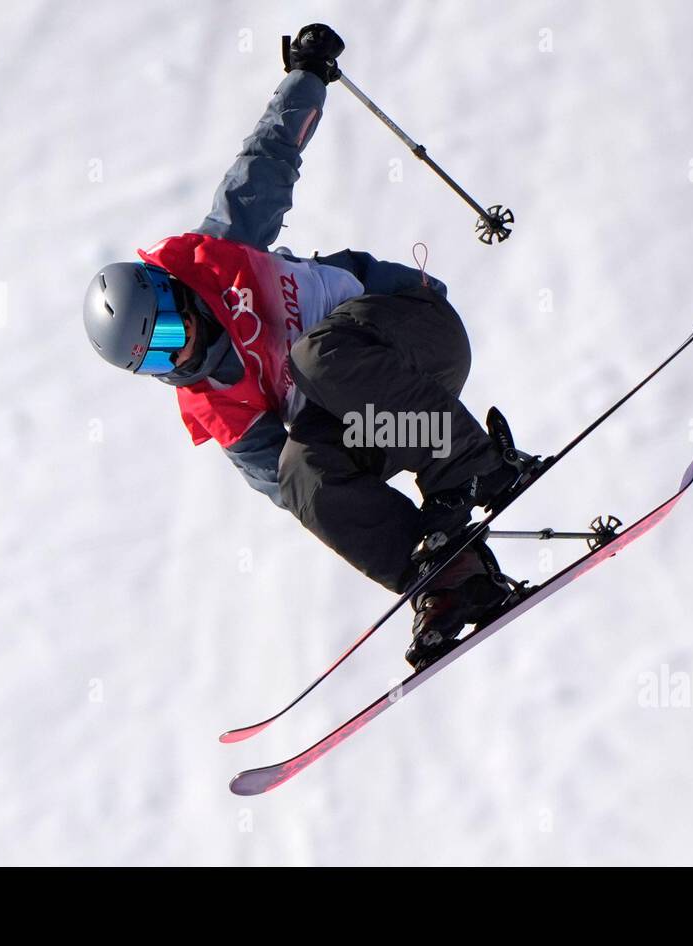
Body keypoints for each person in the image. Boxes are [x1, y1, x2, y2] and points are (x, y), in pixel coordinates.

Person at [82, 24, 528, 669]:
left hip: (416, 330)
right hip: (394, 420)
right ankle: (450, 579)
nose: (176, 357)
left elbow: (267, 158)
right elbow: (310, 495)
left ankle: (473, 464)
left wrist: (308, 75)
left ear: (172, 291)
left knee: (313, 357)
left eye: (171, 333)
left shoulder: (220, 252)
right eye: (156, 361)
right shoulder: (221, 410)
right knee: (299, 471)